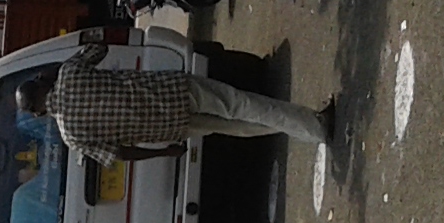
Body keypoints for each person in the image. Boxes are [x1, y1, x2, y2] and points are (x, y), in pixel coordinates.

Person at [18, 37, 336, 168]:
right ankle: (315, 125)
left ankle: (305, 129)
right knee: (242, 104)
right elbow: (98, 47)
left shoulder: (70, 136)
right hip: (171, 90)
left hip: (170, 126)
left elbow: (120, 153)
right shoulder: (70, 72)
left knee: (238, 127)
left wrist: (166, 151)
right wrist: (55, 69)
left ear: (38, 111)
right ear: (40, 82)